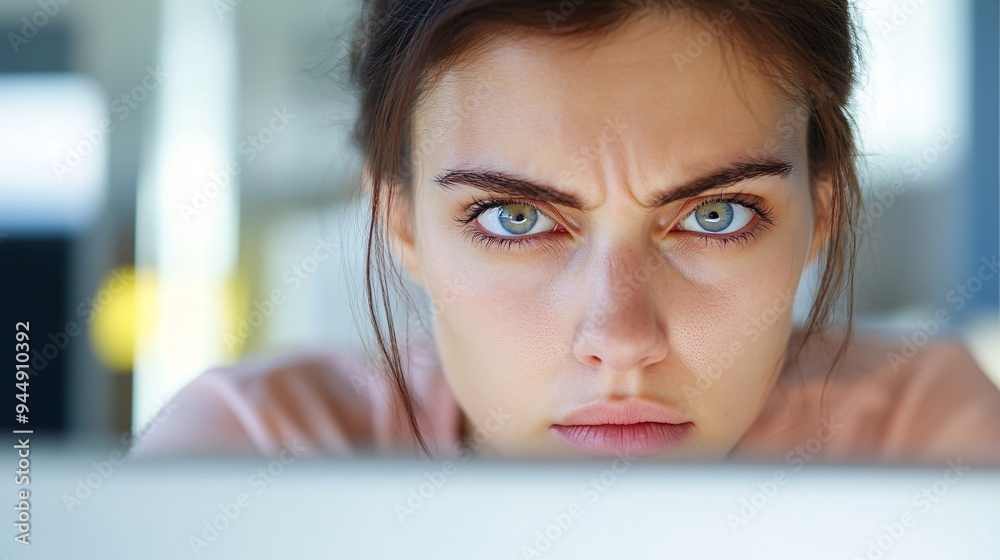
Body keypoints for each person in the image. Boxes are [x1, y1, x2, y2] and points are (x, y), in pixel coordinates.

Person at [129, 0, 1000, 465]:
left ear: (823, 214)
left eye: (714, 215)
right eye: (515, 220)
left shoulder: (917, 443)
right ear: (399, 220)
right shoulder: (252, 462)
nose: (620, 341)